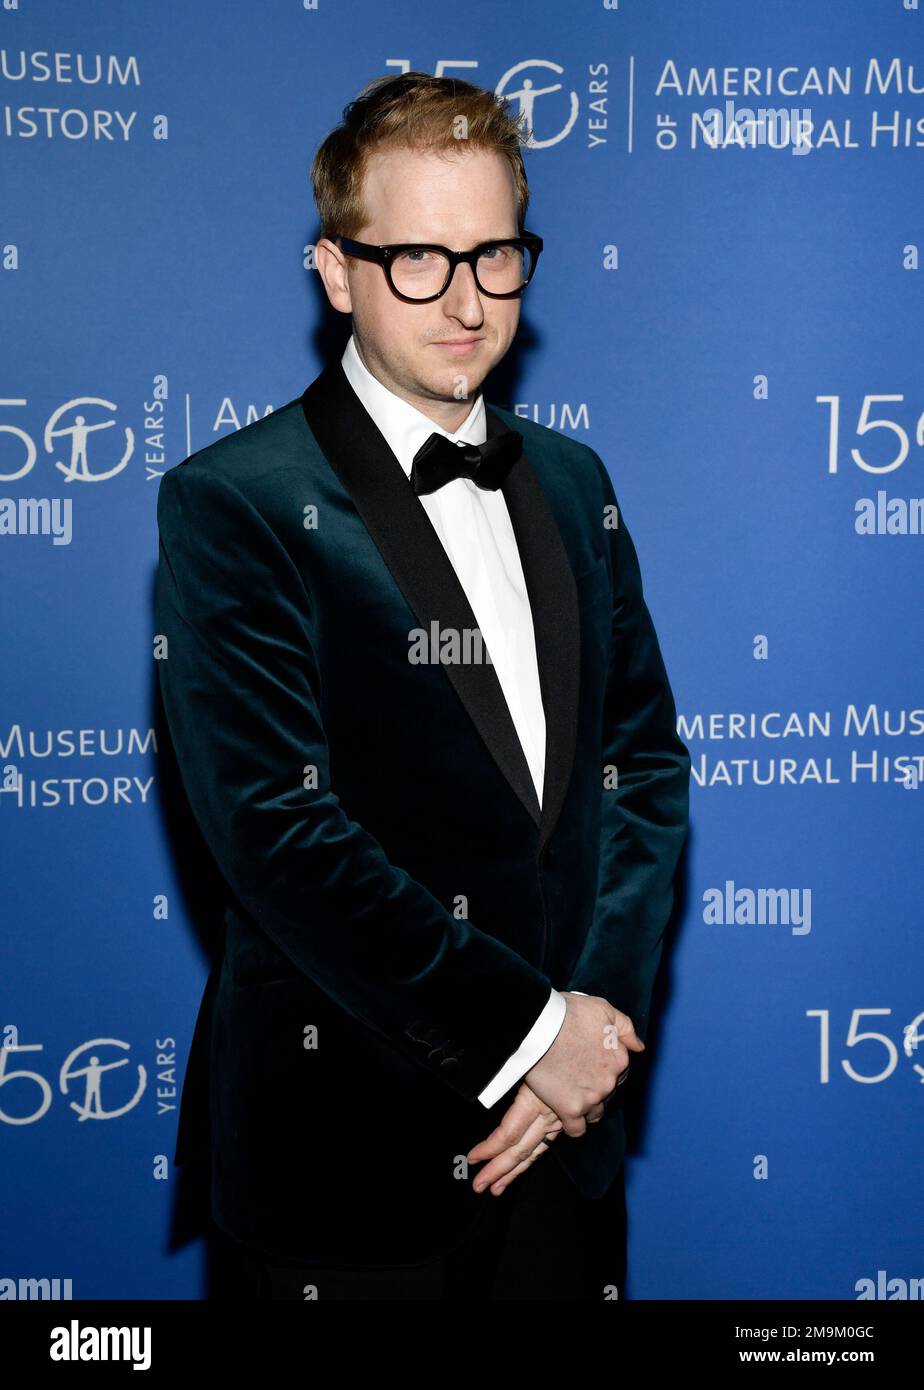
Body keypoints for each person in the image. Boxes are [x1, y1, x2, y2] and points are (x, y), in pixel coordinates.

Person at [156, 71, 691, 1301]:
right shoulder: (236, 501)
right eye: (417, 260)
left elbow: (642, 764)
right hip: (350, 1169)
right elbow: (276, 834)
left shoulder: (569, 478)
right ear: (336, 271)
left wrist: (589, 1034)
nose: (465, 300)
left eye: (495, 254)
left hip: (564, 1152)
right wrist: (529, 1033)